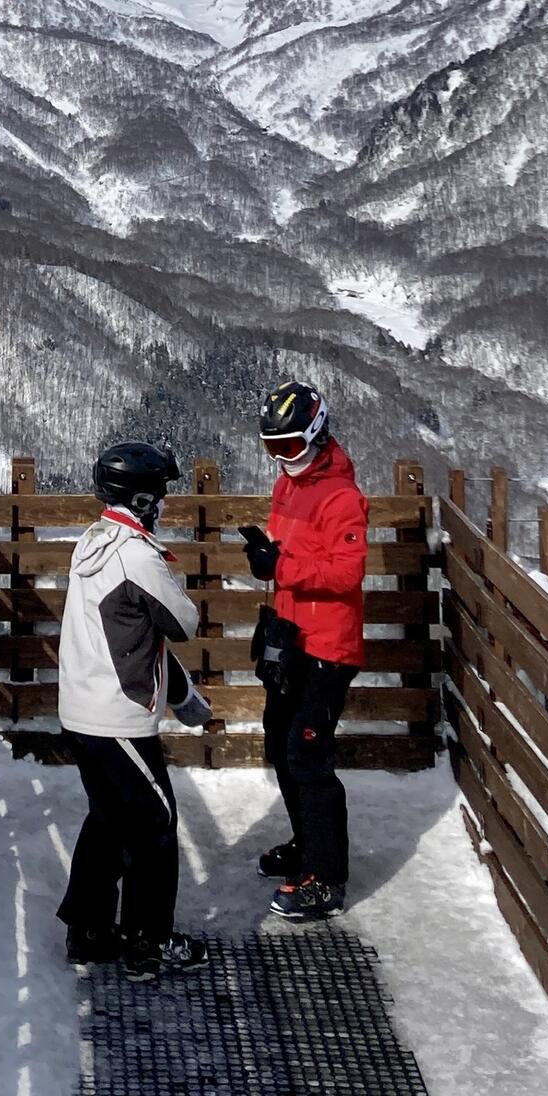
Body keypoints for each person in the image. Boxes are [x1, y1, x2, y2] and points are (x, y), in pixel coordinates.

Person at [56, 438, 220, 983]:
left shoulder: (93, 541)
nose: (166, 502)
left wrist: (181, 695)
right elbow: (183, 622)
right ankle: (149, 943)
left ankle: (89, 931)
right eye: (161, 494)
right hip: (118, 718)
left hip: (83, 710)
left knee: (109, 820)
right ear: (145, 499)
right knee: (155, 823)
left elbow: (128, 636)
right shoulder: (135, 554)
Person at [237, 381, 367, 924]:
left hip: (327, 650)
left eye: (289, 446)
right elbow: (293, 556)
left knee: (308, 759)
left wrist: (281, 566)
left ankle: (326, 879)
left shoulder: (342, 498)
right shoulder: (287, 488)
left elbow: (347, 573)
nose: (281, 458)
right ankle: (306, 844)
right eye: (272, 447)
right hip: (290, 642)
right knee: (280, 748)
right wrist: (268, 557)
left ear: (315, 435)